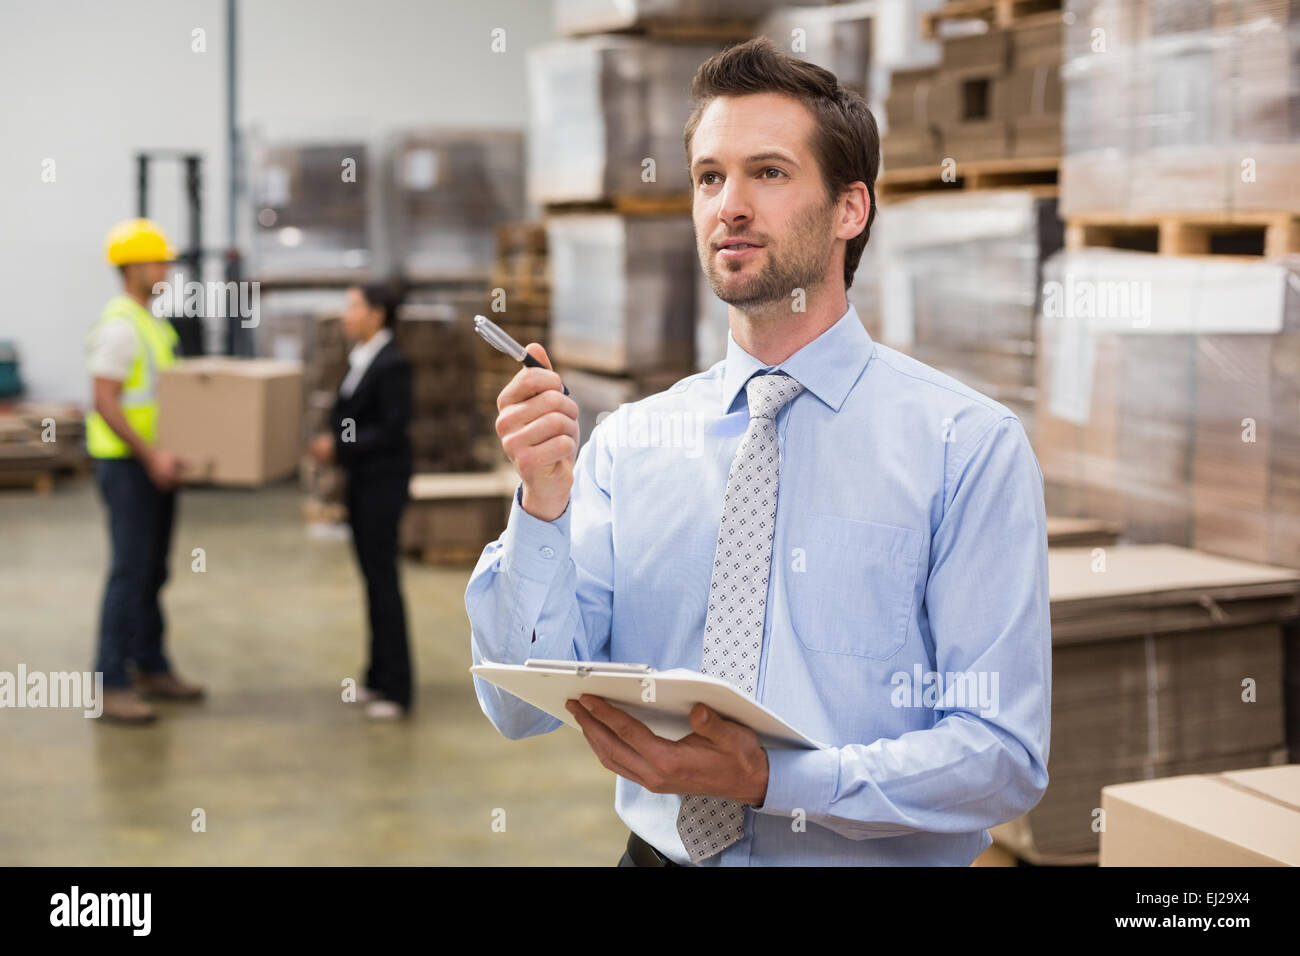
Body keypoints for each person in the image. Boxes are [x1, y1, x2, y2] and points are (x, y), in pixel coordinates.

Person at [465, 37, 1051, 866]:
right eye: (710, 177)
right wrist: (542, 501)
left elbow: (1001, 760)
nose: (728, 205)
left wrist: (778, 781)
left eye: (768, 173)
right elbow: (518, 708)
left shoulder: (965, 449)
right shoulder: (632, 443)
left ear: (851, 209)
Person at [88, 218, 204, 724]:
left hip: (153, 466)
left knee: (153, 571)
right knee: (129, 572)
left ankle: (150, 665)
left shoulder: (152, 322)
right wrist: (150, 455)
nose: (164, 270)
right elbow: (104, 401)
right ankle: (110, 682)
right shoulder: (120, 326)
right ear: (133, 267)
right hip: (127, 467)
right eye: (158, 261)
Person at [310, 281, 414, 721]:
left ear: (378, 313)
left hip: (382, 484)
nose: (346, 314)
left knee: (384, 582)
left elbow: (391, 429)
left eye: (353, 306)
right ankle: (375, 675)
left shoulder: (392, 364)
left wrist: (339, 446)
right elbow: (352, 418)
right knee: (372, 581)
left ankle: (398, 688)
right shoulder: (362, 358)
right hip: (362, 481)